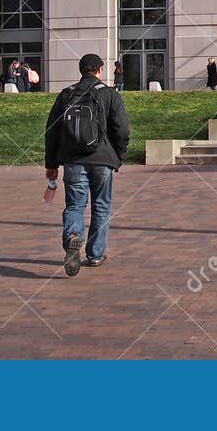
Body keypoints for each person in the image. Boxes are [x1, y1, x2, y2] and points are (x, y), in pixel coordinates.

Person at [44, 53, 131, 275]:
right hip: (102, 160)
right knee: (101, 206)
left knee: (75, 205)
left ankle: (73, 235)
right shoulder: (109, 94)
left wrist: (51, 164)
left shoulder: (66, 94)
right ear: (100, 69)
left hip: (73, 161)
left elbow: (52, 131)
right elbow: (121, 129)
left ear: (81, 70)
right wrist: (118, 156)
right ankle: (95, 254)